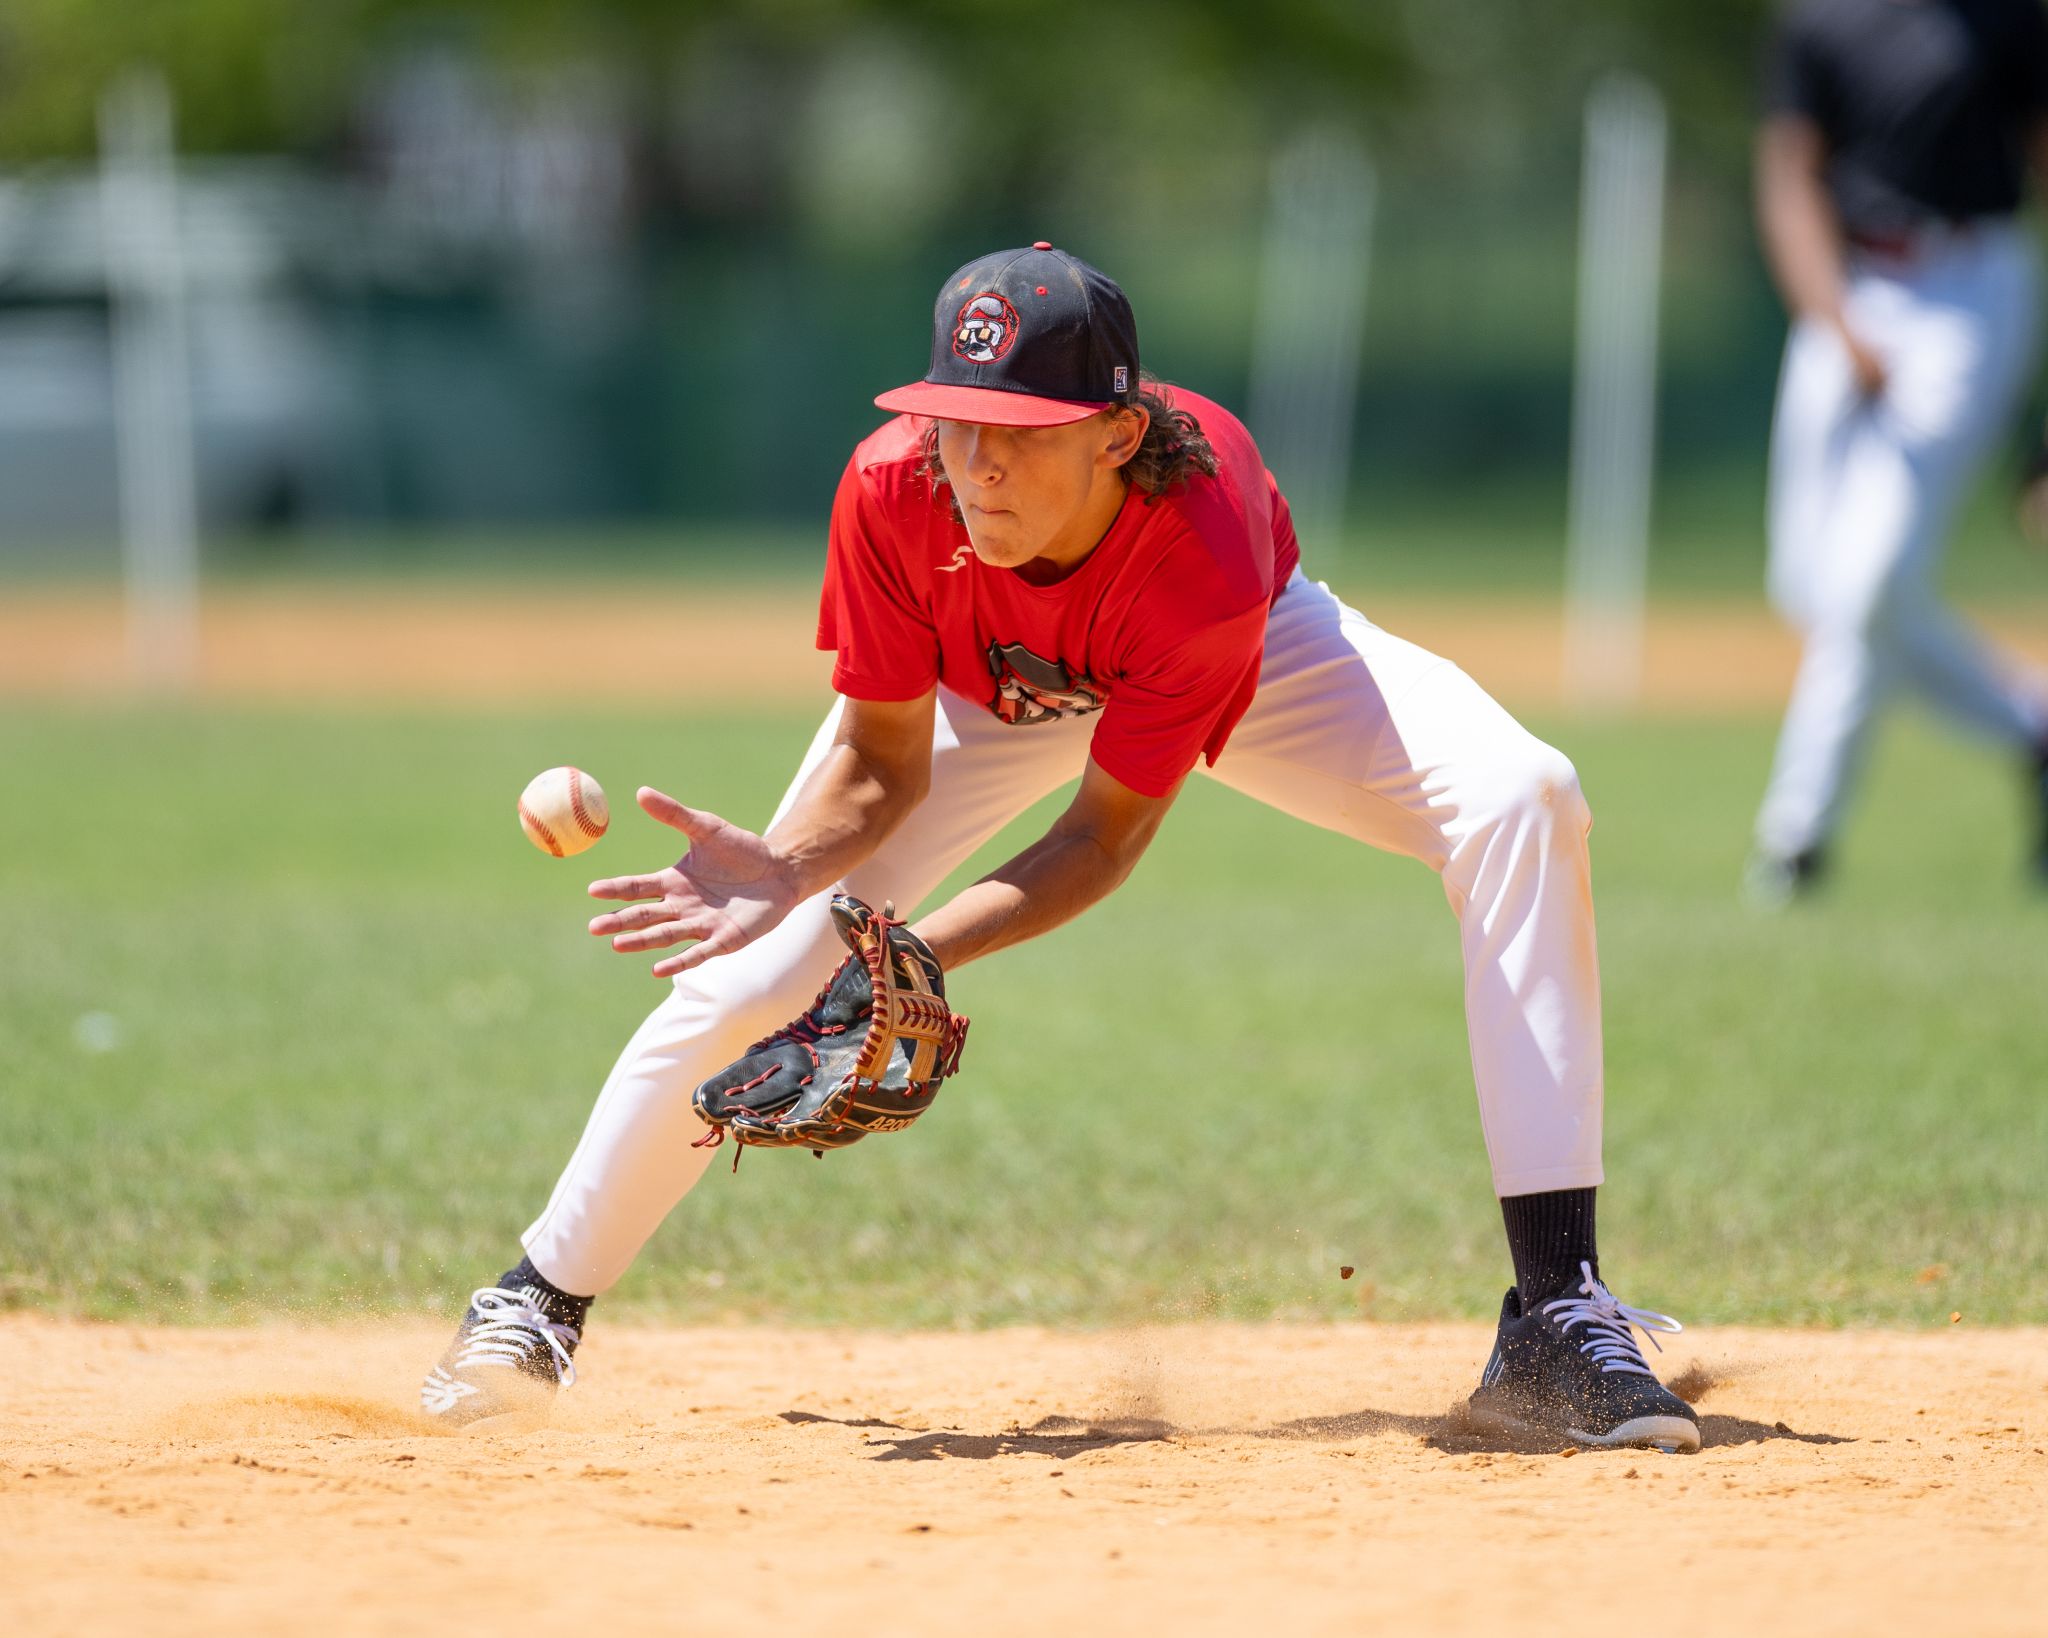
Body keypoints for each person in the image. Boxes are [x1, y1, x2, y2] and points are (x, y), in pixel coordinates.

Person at [419, 244, 1699, 1453]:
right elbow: (879, 764)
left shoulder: (1197, 543)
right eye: (954, 421)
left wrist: (909, 958)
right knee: (756, 967)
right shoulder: (892, 486)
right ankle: (535, 1305)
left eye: (1018, 437)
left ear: (1116, 436)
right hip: (988, 697)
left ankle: (1556, 1314)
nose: (974, 466)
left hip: (1233, 651)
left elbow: (1099, 835)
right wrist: (798, 877)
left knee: (1525, 794)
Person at [1749, 0, 2048, 903]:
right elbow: (1790, 175)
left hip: (1968, 289)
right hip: (1847, 291)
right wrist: (1833, 316)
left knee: (1869, 580)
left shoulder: (2009, 22)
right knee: (1809, 585)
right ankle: (2031, 724)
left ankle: (1795, 841)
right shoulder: (1822, 21)